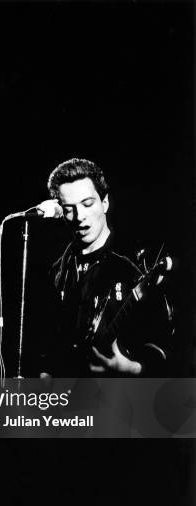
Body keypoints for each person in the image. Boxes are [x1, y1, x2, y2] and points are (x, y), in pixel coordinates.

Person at [39, 158, 173, 377]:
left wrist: (132, 368)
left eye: (88, 203)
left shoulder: (134, 264)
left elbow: (167, 345)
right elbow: (51, 343)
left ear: (105, 203)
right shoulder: (58, 270)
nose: (80, 216)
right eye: (69, 209)